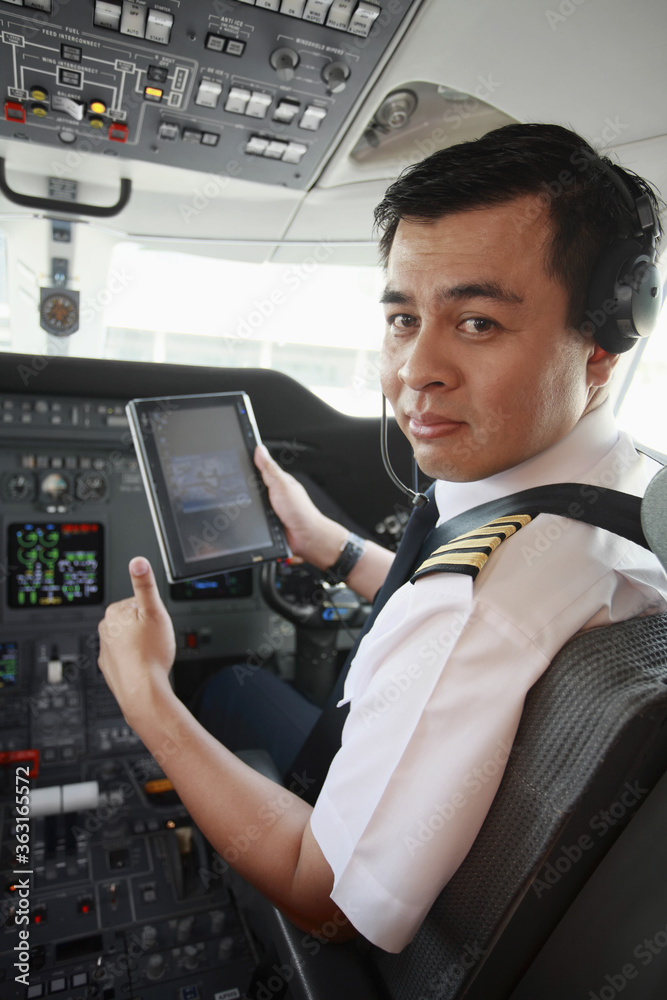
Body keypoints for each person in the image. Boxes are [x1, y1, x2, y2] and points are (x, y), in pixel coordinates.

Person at [97, 123, 667, 954]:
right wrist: (329, 543)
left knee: (226, 690)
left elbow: (321, 898)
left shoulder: (478, 610)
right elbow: (463, 595)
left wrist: (146, 693)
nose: (414, 371)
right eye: (402, 317)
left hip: (359, 879)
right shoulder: (626, 486)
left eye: (475, 322)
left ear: (603, 346)